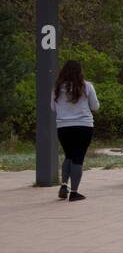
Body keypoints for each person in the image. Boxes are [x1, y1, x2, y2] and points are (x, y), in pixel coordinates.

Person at [50, 59, 99, 201]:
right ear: (80, 71)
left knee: (69, 156)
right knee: (78, 158)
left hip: (64, 128)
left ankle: (64, 185)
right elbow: (95, 106)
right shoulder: (87, 86)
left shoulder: (57, 88)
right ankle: (74, 192)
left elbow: (53, 108)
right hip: (83, 126)